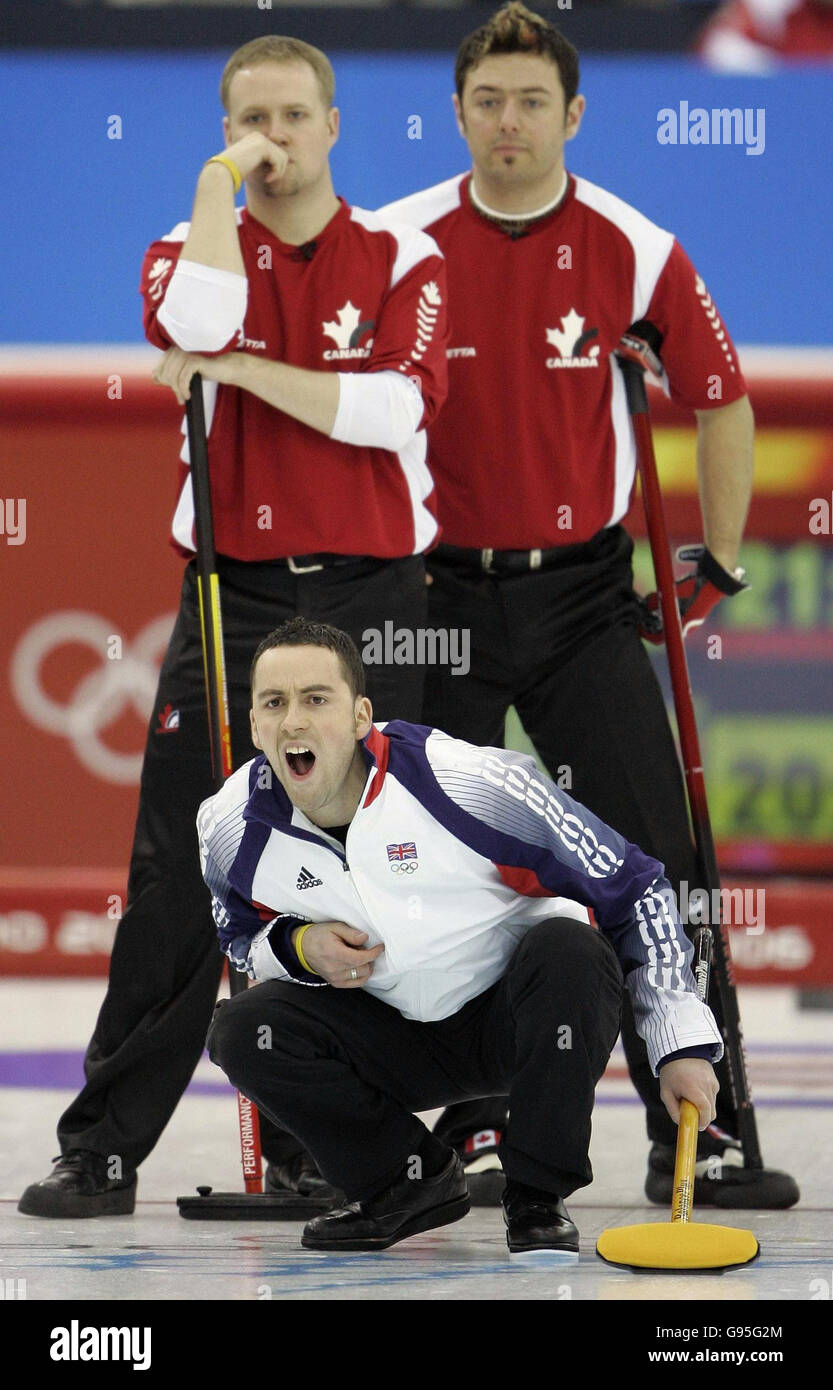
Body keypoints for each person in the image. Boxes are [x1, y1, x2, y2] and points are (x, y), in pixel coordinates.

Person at [19, 35, 447, 1219]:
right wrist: (216, 192)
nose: (271, 140)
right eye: (246, 121)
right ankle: (103, 1146)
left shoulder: (402, 254)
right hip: (234, 590)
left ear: (334, 124)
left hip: (368, 597)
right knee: (175, 869)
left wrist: (239, 371)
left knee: (360, 862)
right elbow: (193, 312)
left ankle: (332, 1136)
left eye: (292, 117)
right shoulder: (185, 247)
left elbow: (391, 408)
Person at [379, 3, 798, 1210]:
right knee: (428, 862)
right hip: (433, 590)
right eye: (485, 102)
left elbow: (720, 397)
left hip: (576, 600)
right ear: (458, 114)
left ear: (570, 114)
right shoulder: (399, 241)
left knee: (652, 864)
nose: (506, 123)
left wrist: (716, 559)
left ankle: (706, 1129)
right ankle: (465, 1119)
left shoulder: (632, 241)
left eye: (528, 102)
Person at [201, 617, 723, 1256]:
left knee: (573, 950)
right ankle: (404, 1182)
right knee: (240, 1030)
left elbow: (635, 886)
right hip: (382, 1037)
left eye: (316, 699)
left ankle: (536, 1195)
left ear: (362, 715)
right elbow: (239, 936)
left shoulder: (467, 781)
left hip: (513, 1022)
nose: (294, 723)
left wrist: (679, 1041)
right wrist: (298, 949)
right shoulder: (227, 824)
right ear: (254, 726)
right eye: (274, 704)